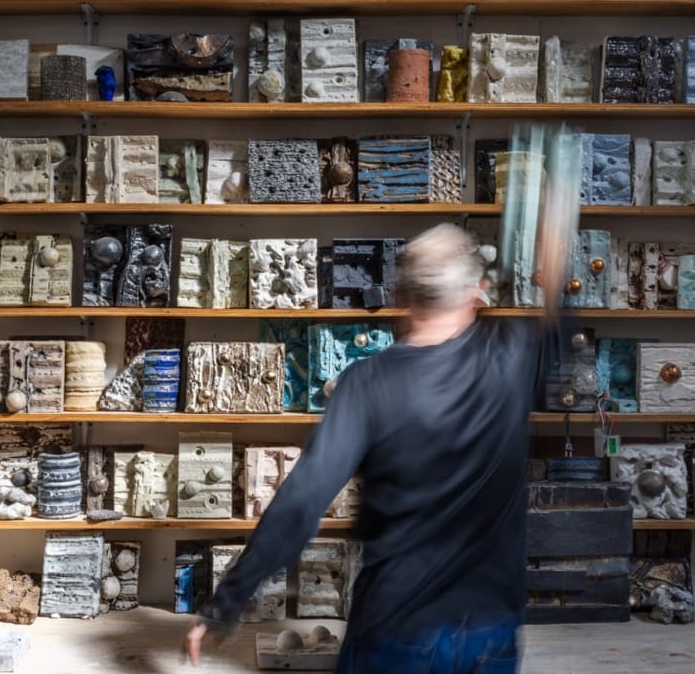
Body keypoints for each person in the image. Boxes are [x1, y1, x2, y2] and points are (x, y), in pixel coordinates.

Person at [183, 220, 568, 672]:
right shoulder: (513, 357)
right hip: (492, 627)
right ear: (476, 294)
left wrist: (227, 602)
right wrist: (553, 262)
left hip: (397, 625)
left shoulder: (367, 384)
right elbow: (560, 328)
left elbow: (302, 501)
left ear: (399, 296)